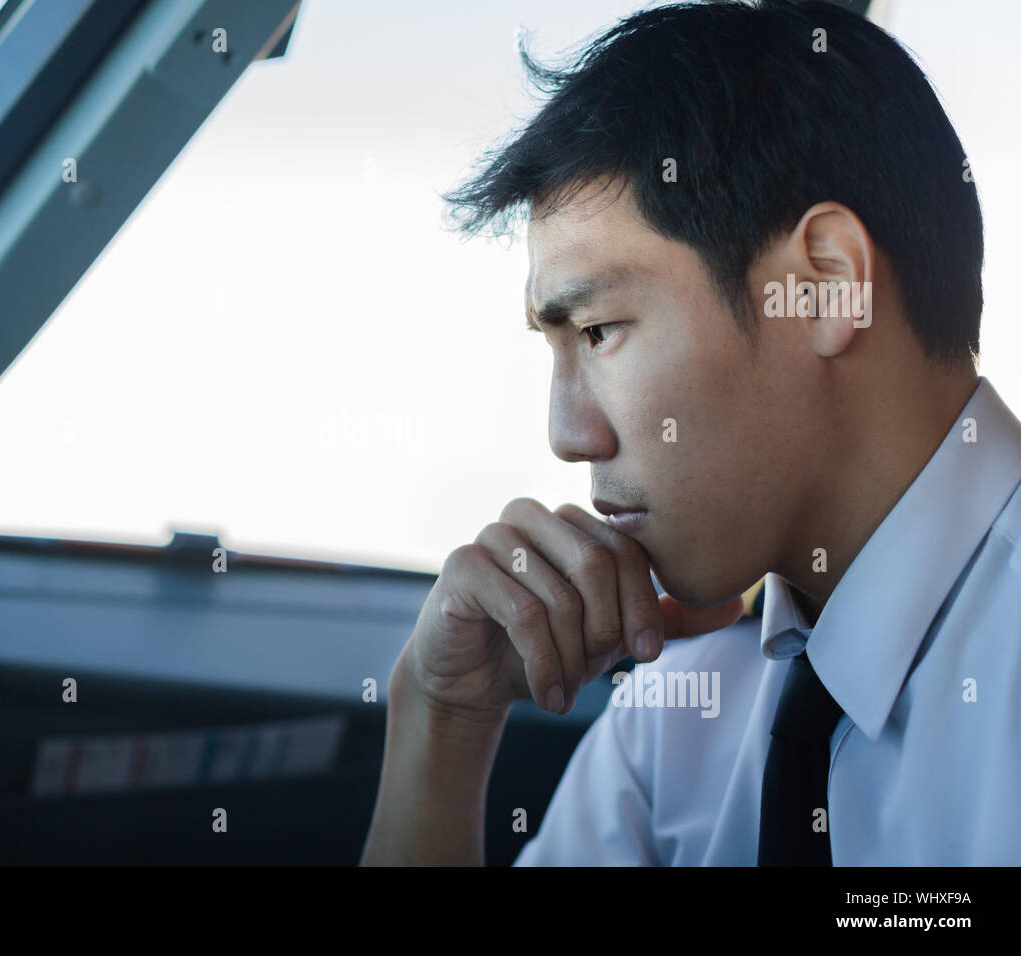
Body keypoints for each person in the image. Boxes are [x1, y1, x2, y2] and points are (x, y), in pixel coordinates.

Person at [360, 0, 1020, 865]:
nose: (567, 435)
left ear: (823, 286)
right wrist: (440, 720)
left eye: (597, 331)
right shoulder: (671, 733)